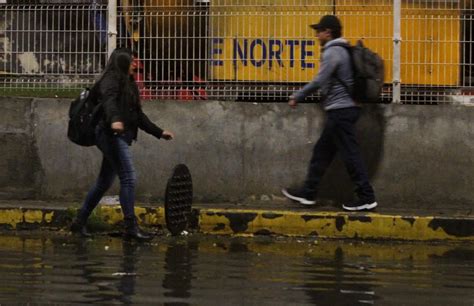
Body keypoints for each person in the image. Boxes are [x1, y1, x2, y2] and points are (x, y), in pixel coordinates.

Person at [71, 48, 175, 240]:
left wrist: (159, 132)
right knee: (128, 177)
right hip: (110, 135)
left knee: (104, 182)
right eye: (133, 60)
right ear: (123, 62)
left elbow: (137, 115)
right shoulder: (110, 81)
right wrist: (115, 120)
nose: (136, 63)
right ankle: (130, 227)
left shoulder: (129, 83)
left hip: (121, 135)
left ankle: (79, 222)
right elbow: (109, 102)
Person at [282, 15, 377, 211]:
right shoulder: (342, 51)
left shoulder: (333, 52)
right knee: (322, 153)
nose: (317, 35)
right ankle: (308, 193)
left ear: (328, 32)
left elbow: (319, 81)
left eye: (319, 31)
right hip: (340, 110)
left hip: (341, 111)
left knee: (350, 155)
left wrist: (297, 96)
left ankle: (367, 197)